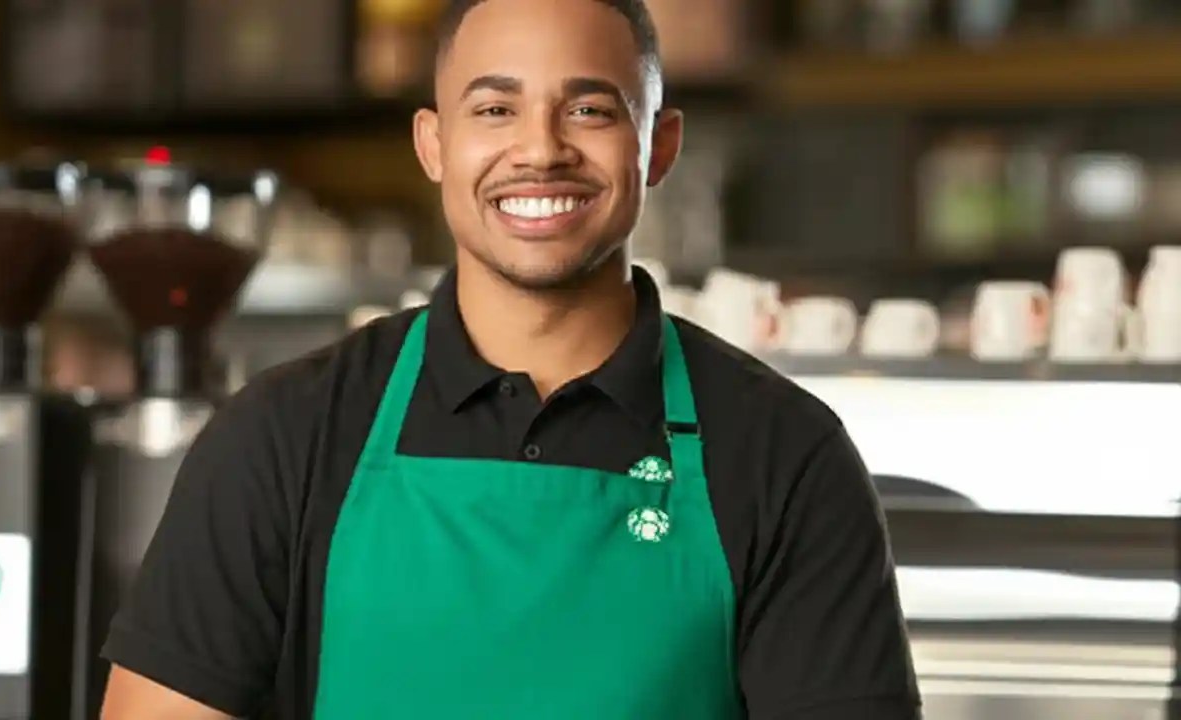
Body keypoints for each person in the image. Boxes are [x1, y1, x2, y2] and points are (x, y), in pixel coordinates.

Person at [100, 0, 922, 717]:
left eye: (591, 110)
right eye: (495, 110)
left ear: (658, 145)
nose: (540, 150)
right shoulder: (283, 437)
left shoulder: (787, 457)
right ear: (433, 144)